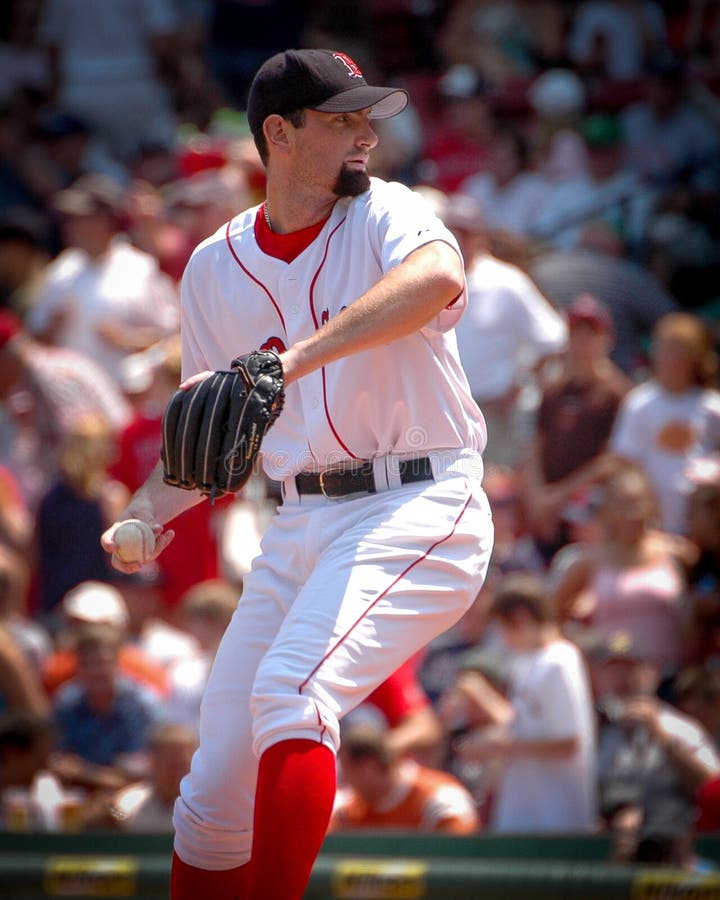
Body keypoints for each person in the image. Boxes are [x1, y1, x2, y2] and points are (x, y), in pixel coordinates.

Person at [101, 48, 494, 900]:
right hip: (301, 520)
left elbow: (437, 278)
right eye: (342, 120)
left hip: (420, 497)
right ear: (278, 134)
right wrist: (146, 510)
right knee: (213, 793)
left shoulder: (388, 212)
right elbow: (209, 435)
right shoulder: (215, 265)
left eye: (367, 119)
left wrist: (292, 361)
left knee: (291, 692)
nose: (366, 137)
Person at [447, 572, 597, 834]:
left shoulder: (560, 661)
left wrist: (503, 746)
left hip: (558, 818)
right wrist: (489, 743)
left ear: (521, 617)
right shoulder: (525, 662)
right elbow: (523, 728)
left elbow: (569, 743)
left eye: (502, 627)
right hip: (524, 813)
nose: (502, 638)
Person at [329, 721, 479, 834]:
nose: (344, 780)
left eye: (347, 771)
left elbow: (460, 857)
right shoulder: (347, 808)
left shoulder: (440, 800)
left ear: (369, 767)